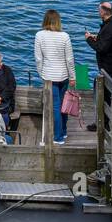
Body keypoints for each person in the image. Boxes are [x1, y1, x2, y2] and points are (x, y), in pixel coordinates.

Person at [35, 9, 76, 144]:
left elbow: (38, 59)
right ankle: (63, 131)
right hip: (63, 75)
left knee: (55, 107)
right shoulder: (65, 36)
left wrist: (41, 73)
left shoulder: (39, 35)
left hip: (49, 76)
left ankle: (57, 137)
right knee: (63, 104)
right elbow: (69, 59)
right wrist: (72, 76)